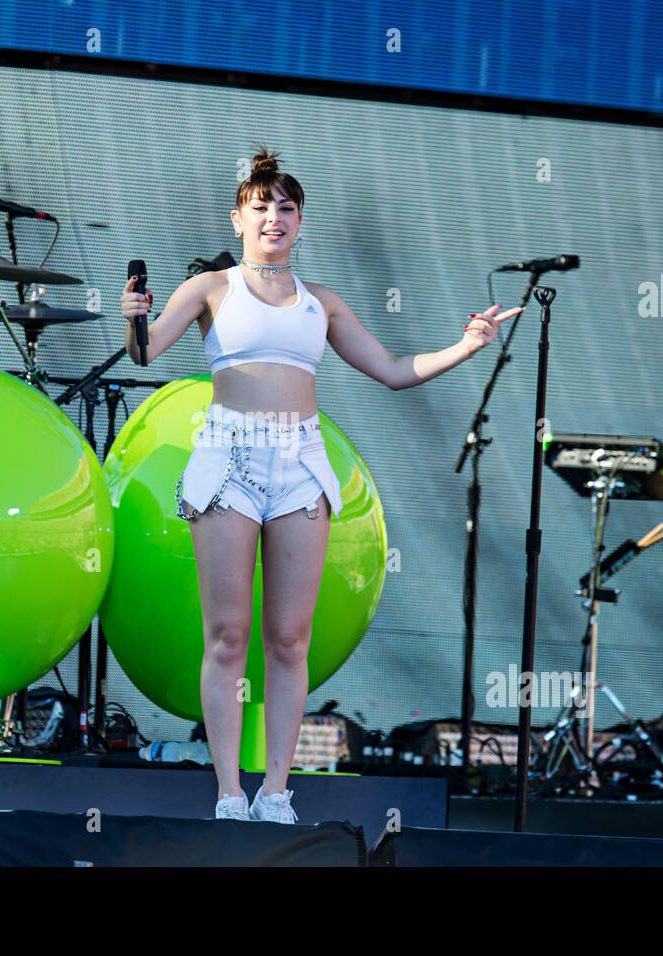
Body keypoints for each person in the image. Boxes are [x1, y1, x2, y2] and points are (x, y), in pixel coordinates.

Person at [119, 147, 519, 822]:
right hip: (230, 455)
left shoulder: (320, 303)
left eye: (286, 208)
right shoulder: (210, 288)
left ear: (300, 223)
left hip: (299, 462)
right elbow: (144, 350)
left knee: (288, 639)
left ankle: (276, 791)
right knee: (226, 637)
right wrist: (132, 311)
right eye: (261, 207)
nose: (274, 218)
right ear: (238, 218)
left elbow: (392, 368)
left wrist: (468, 345)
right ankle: (227, 793)